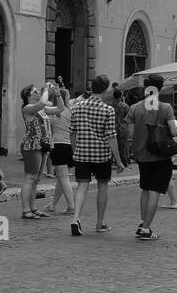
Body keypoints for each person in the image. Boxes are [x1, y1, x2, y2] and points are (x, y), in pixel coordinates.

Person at [129, 74, 177, 240]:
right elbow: (174, 132)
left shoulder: (135, 108)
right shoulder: (166, 107)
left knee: (145, 188)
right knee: (155, 190)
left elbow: (132, 133)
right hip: (160, 155)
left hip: (141, 154)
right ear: (160, 88)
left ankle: (142, 222)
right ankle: (147, 229)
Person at [68, 74, 125, 237]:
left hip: (82, 153)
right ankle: (100, 223)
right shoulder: (107, 109)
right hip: (101, 155)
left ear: (91, 87)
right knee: (102, 186)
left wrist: (74, 150)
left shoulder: (77, 106)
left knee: (82, 186)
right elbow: (111, 136)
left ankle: (75, 218)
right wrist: (119, 160)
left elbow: (72, 132)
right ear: (106, 89)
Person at [18, 83, 57, 219]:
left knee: (36, 179)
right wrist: (46, 89)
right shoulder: (28, 108)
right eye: (35, 91)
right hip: (32, 145)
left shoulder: (41, 109)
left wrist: (58, 94)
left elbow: (60, 109)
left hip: (42, 146)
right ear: (28, 96)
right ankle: (25, 209)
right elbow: (42, 103)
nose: (38, 92)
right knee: (30, 177)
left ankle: (33, 207)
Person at [43, 84, 76, 216]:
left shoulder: (53, 111)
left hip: (57, 145)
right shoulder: (69, 110)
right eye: (68, 96)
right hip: (68, 146)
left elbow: (45, 107)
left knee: (63, 178)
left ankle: (71, 206)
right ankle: (53, 205)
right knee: (61, 180)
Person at [113, 88, 132, 166]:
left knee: (113, 145)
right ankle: (123, 163)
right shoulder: (124, 106)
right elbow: (130, 117)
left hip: (112, 127)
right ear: (121, 96)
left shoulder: (109, 105)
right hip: (122, 128)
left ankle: (113, 161)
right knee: (123, 146)